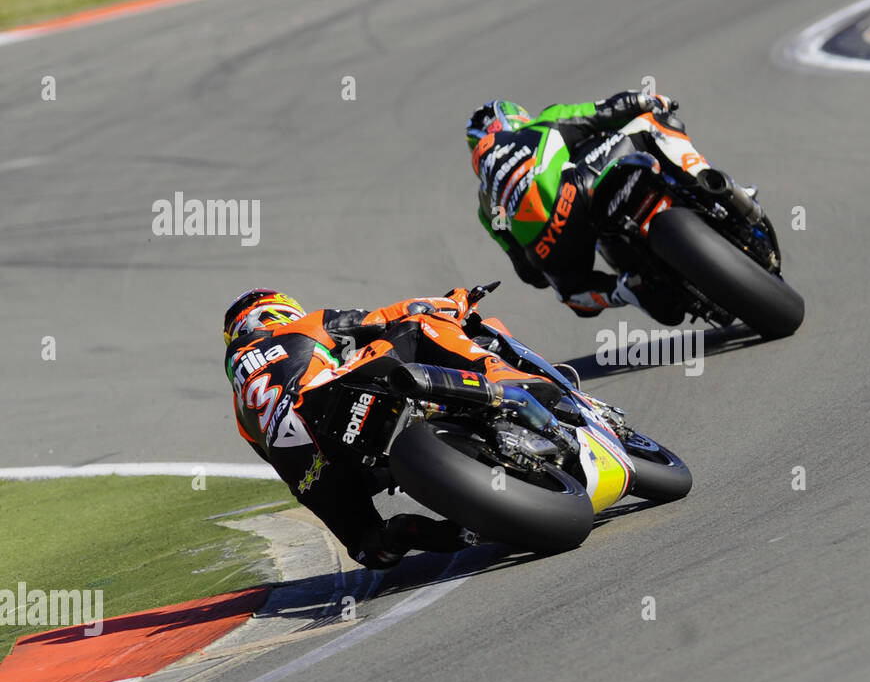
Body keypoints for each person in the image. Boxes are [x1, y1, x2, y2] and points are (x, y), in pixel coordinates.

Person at [221, 287, 552, 570]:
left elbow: (277, 460)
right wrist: (457, 302)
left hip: (309, 472)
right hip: (328, 401)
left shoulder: (240, 413)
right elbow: (393, 314)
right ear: (276, 313)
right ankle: (505, 381)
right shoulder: (302, 327)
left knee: (370, 548)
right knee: (418, 325)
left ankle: (415, 531)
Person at [466, 91, 690, 323]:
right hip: (579, 190)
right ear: (517, 117)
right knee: (649, 124)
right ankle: (698, 177)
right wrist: (649, 101)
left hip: (549, 247)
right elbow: (606, 110)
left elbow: (529, 272)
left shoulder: (489, 207)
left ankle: (624, 289)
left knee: (568, 292)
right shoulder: (545, 123)